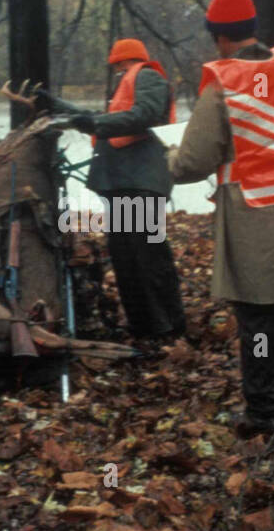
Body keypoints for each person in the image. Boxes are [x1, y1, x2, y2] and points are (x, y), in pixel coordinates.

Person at [168, 0, 274, 438]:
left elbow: (190, 164)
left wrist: (167, 156)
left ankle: (263, 411)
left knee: (256, 315)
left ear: (218, 36)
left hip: (253, 213)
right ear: (254, 27)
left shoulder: (223, 81)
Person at [25, 39, 187, 340]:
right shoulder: (130, 82)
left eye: (115, 64)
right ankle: (145, 327)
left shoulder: (147, 76)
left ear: (120, 61)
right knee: (127, 258)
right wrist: (62, 109)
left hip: (139, 182)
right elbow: (106, 119)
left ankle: (166, 327)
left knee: (147, 257)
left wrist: (86, 123)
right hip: (125, 183)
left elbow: (146, 114)